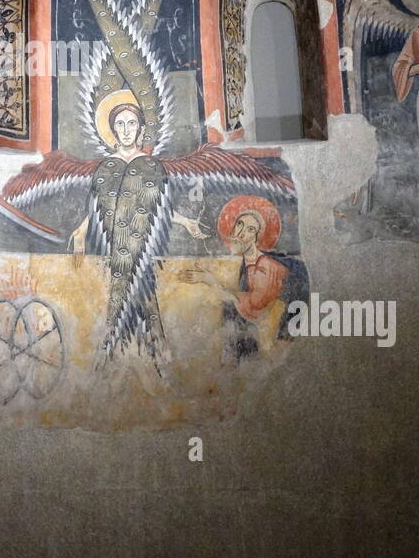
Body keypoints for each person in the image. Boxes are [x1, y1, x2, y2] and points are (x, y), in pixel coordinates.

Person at [69, 103, 207, 363]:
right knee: (123, 290)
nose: (126, 130)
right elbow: (96, 207)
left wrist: (186, 222)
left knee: (141, 289)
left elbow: (162, 209)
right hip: (115, 248)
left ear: (141, 129)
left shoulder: (153, 167)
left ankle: (146, 347)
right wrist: (80, 231)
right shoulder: (104, 168)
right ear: (112, 130)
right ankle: (125, 348)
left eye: (132, 123)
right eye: (120, 124)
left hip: (142, 247)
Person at [182, 198, 307, 361]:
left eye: (250, 229)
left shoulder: (263, 267)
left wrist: (209, 279)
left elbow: (253, 308)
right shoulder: (247, 263)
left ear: (257, 238)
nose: (240, 234)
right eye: (239, 224)